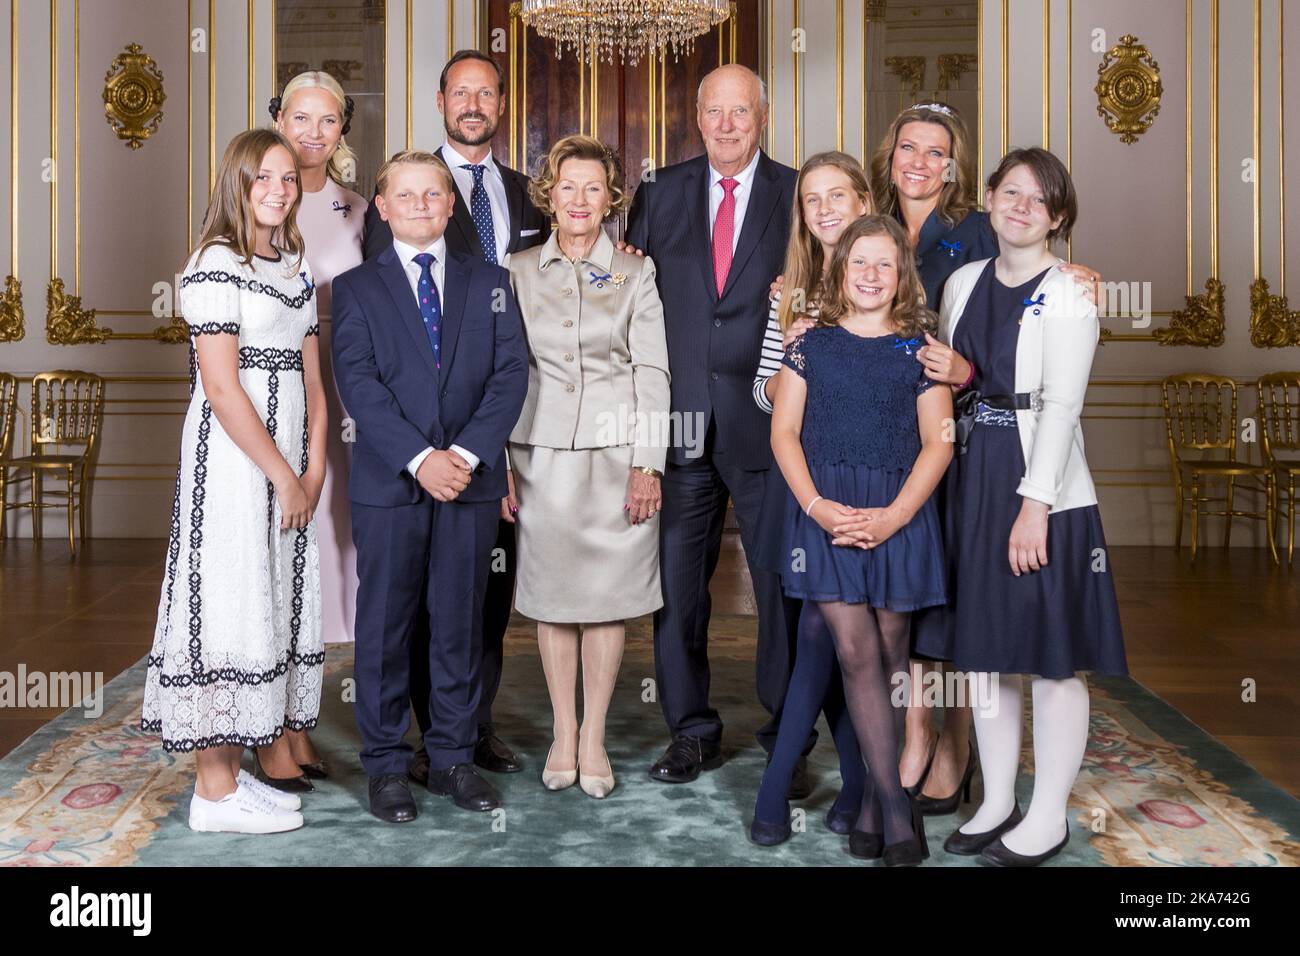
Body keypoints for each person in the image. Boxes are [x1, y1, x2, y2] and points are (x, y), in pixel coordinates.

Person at [873, 101, 1104, 814]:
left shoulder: (979, 234)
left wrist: (1078, 277)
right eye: (908, 147)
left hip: (969, 443)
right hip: (900, 435)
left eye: (935, 151)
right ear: (890, 156)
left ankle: (958, 752)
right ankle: (915, 739)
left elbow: (1034, 373)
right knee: (921, 600)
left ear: (956, 167)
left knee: (974, 618)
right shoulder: (863, 218)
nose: (919, 162)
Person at [912, 148, 1127, 865]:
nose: (1021, 206)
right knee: (986, 656)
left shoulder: (1069, 291)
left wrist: (1034, 507)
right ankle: (998, 799)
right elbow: (959, 382)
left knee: (1052, 658)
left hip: (1044, 487)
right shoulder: (966, 280)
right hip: (974, 477)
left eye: (1039, 200)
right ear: (991, 199)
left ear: (1058, 217)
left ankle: (1048, 815)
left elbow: (1062, 406)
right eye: (1011, 192)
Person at [364, 50, 549, 780]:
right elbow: (384, 333)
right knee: (410, 605)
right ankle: (416, 736)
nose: (474, 103)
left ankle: (470, 729)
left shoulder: (525, 193)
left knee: (482, 596)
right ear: (441, 100)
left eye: (487, 92)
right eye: (461, 92)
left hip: (494, 429)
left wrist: (480, 449)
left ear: (501, 103)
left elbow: (520, 331)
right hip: (413, 441)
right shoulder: (404, 190)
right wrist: (426, 451)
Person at [331, 150, 528, 823]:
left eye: (432, 194)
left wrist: (466, 455)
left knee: (459, 625)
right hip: (392, 483)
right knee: (386, 627)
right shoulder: (355, 290)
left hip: (470, 485)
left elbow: (510, 377)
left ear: (451, 205)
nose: (420, 205)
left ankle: (451, 758)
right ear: (381, 207)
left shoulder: (493, 281)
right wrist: (421, 458)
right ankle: (386, 764)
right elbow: (359, 385)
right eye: (404, 196)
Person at [141, 128, 325, 834]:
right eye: (262, 179)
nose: (278, 189)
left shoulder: (296, 265)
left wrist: (314, 466)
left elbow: (314, 380)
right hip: (235, 463)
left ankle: (236, 776)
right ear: (237, 185)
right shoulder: (215, 263)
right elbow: (220, 387)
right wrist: (282, 475)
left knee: (269, 599)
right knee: (225, 598)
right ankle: (213, 793)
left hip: (287, 461)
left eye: (287, 177)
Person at [625, 63, 800, 786]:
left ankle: (787, 734)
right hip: (682, 422)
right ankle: (690, 730)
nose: (727, 125)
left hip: (769, 426)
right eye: (714, 112)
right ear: (696, 118)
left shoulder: (798, 191)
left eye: (741, 112)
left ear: (763, 117)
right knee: (678, 589)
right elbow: (632, 293)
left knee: (778, 585)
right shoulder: (660, 192)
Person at [770, 214, 952, 865]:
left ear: (901, 275)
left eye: (885, 264)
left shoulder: (920, 348)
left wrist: (896, 516)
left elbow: (939, 441)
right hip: (828, 517)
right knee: (854, 652)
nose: (872, 275)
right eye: (860, 263)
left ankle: (876, 803)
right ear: (838, 272)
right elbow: (784, 433)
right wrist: (818, 508)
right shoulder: (809, 345)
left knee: (892, 651)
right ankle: (898, 812)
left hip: (899, 513)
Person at [504, 135, 670, 799]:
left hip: (618, 456)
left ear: (611, 199)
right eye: (567, 187)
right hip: (538, 455)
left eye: (592, 188)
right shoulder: (514, 271)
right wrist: (498, 465)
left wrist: (648, 464)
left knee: (607, 602)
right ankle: (562, 732)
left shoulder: (637, 273)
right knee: (552, 599)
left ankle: (595, 734)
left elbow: (653, 370)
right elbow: (500, 372)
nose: (579, 200)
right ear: (550, 194)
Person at [748, 151, 873, 843]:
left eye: (837, 195)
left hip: (868, 487)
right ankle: (849, 787)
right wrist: (793, 356)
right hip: (804, 487)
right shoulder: (788, 290)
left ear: (861, 201)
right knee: (816, 635)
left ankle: (823, 788)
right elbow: (763, 393)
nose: (824, 208)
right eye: (811, 199)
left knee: (838, 638)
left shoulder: (884, 270)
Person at [248, 69, 367, 788]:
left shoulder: (362, 209)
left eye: (328, 121)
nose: (314, 134)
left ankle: (299, 724)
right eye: (301, 118)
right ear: (278, 119)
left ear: (342, 130)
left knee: (328, 573)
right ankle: (270, 730)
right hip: (274, 402)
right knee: (272, 565)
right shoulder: (256, 199)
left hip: (349, 406)